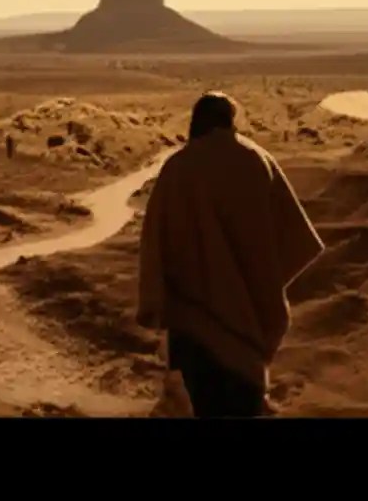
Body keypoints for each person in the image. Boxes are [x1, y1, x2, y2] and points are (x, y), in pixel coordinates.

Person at [137, 91, 324, 418]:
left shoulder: (177, 168)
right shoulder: (257, 160)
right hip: (247, 332)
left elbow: (155, 243)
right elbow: (295, 240)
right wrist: (258, 287)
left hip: (192, 333)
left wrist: (155, 304)